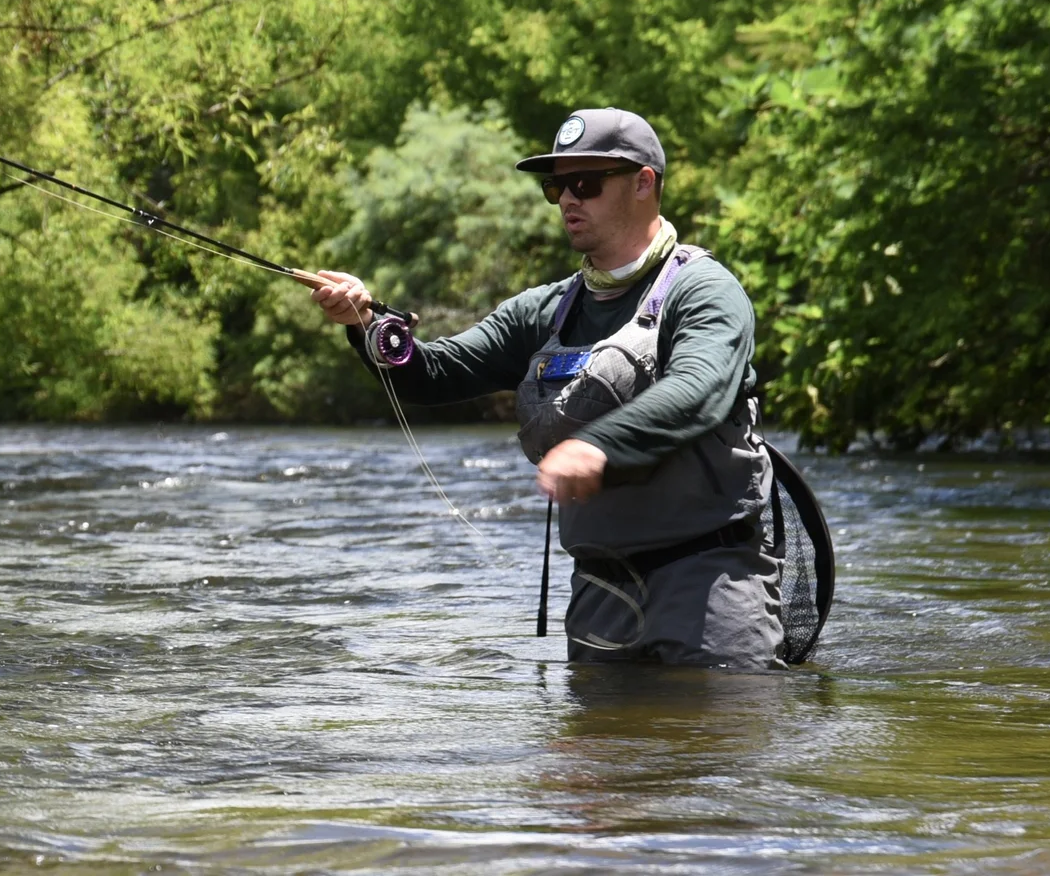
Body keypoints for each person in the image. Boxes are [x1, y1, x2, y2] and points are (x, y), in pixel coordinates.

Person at [311, 108, 784, 670]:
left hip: (710, 584)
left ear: (643, 183)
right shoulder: (543, 310)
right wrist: (367, 325)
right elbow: (433, 373)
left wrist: (597, 446)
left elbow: (700, 387)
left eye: (586, 183)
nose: (567, 200)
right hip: (598, 597)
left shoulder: (706, 291)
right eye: (556, 186)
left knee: (714, 753)